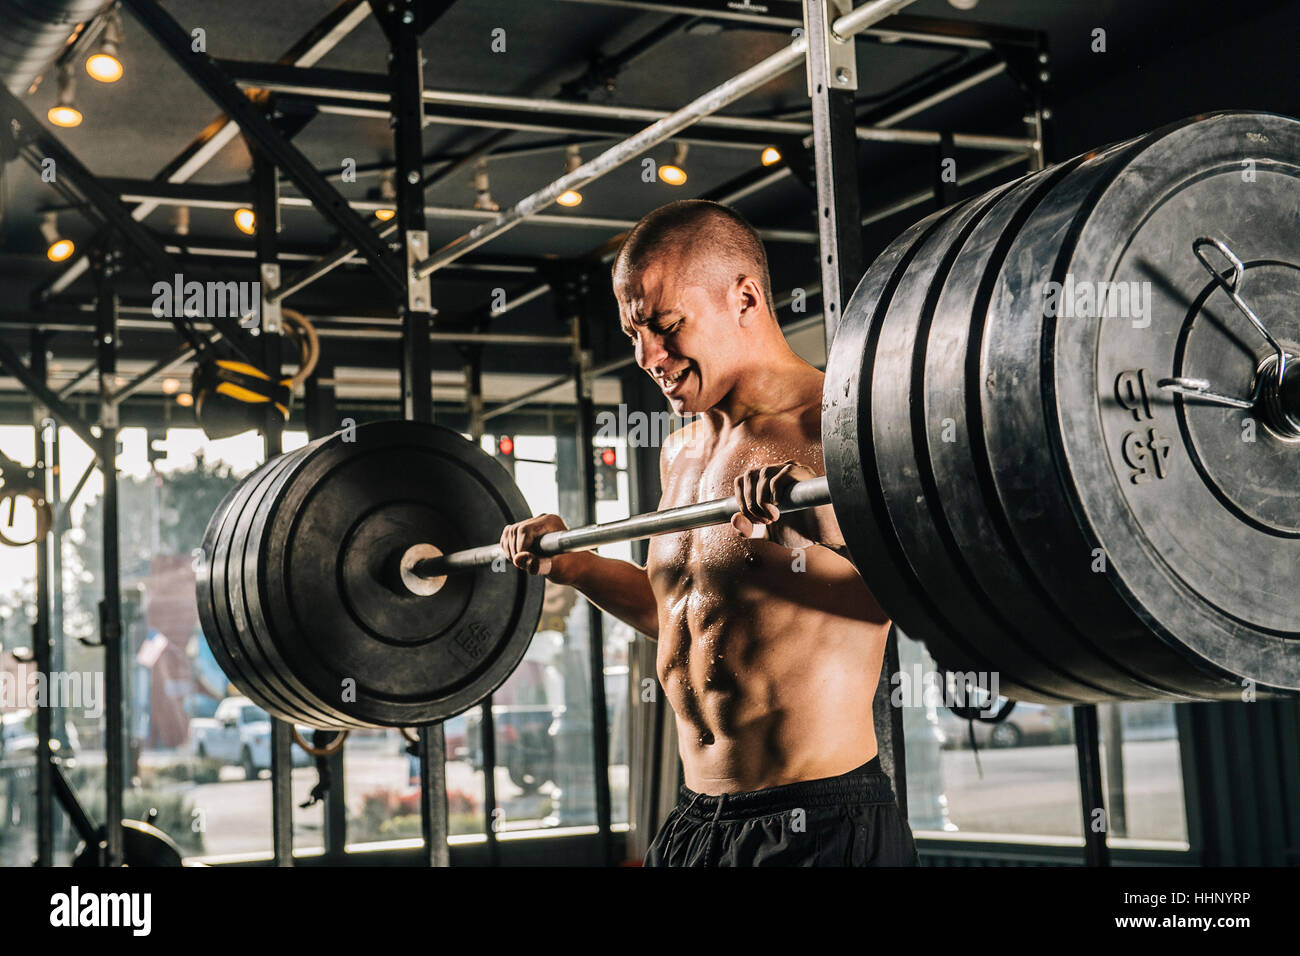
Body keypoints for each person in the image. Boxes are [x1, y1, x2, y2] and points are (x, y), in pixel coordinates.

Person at [498, 199, 918, 867]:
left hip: (818, 824)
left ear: (745, 297)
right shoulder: (683, 451)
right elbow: (687, 620)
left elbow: (919, 602)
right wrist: (575, 566)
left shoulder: (839, 428)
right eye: (634, 333)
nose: (647, 356)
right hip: (697, 822)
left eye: (666, 327)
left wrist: (820, 534)